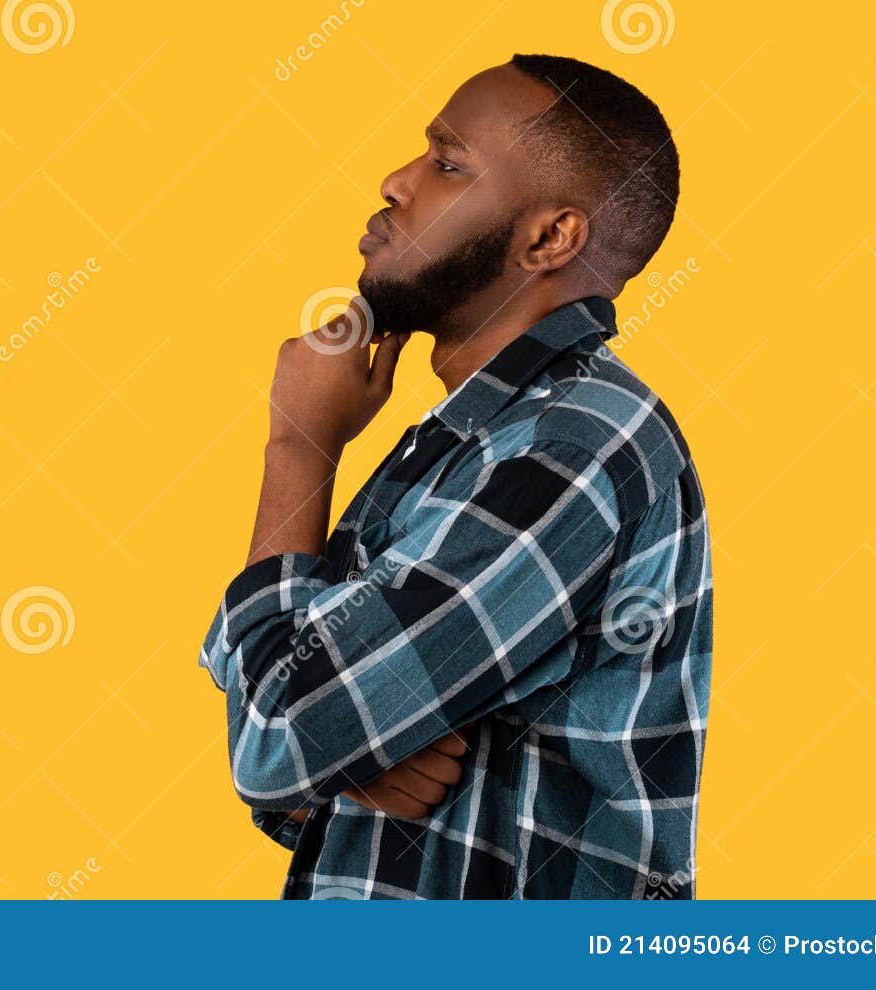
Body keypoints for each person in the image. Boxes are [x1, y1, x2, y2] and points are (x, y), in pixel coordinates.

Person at [198, 53, 711, 899]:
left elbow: (274, 732)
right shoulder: (472, 440)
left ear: (549, 239)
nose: (395, 182)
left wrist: (297, 449)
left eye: (447, 164)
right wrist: (343, 746)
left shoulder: (567, 448)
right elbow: (294, 746)